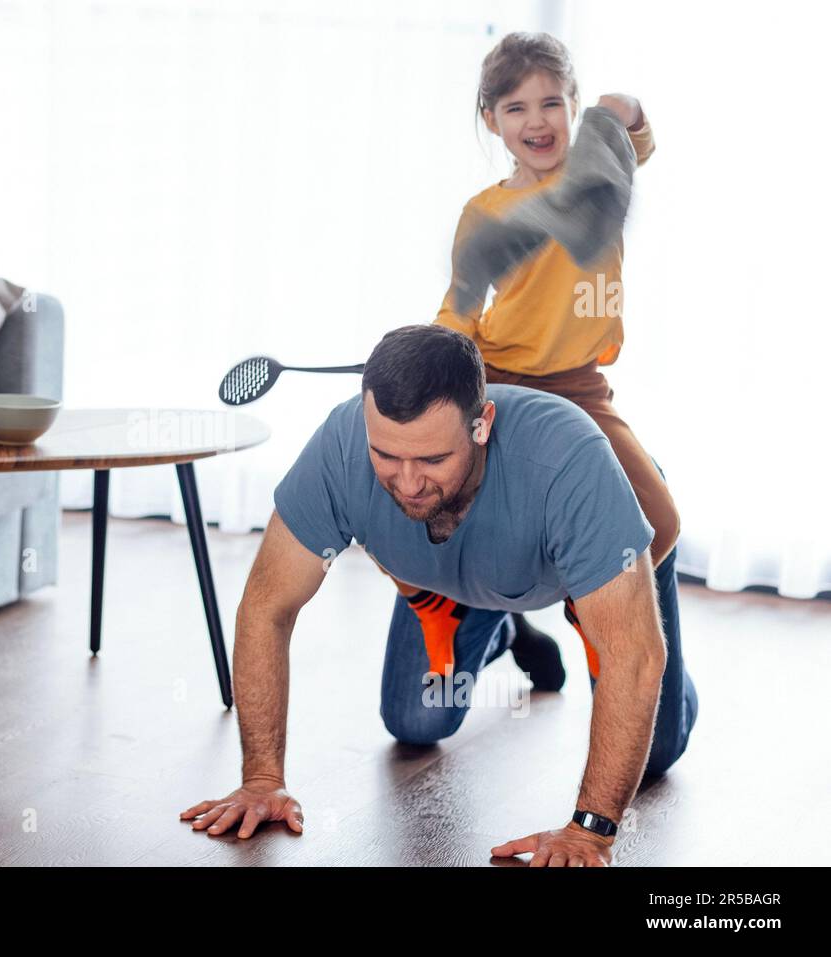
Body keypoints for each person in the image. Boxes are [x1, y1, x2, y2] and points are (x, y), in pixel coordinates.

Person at [180, 325, 698, 866]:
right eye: (387, 455)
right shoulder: (340, 445)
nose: (407, 483)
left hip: (606, 550)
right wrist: (262, 779)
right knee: (416, 721)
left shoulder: (570, 459)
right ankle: (506, 625)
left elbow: (634, 661)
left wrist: (590, 832)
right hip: (454, 579)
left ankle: (651, 633)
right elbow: (267, 608)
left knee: (654, 744)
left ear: (482, 425)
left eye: (431, 460)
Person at [376, 32, 677, 694]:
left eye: (551, 103)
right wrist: (435, 360)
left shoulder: (599, 177)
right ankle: (443, 605)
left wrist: (618, 106)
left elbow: (638, 135)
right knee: (415, 506)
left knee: (663, 521)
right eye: (514, 108)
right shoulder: (483, 213)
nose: (536, 121)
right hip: (498, 385)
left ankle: (583, 601)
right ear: (491, 120)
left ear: (572, 106)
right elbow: (461, 307)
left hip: (580, 390)